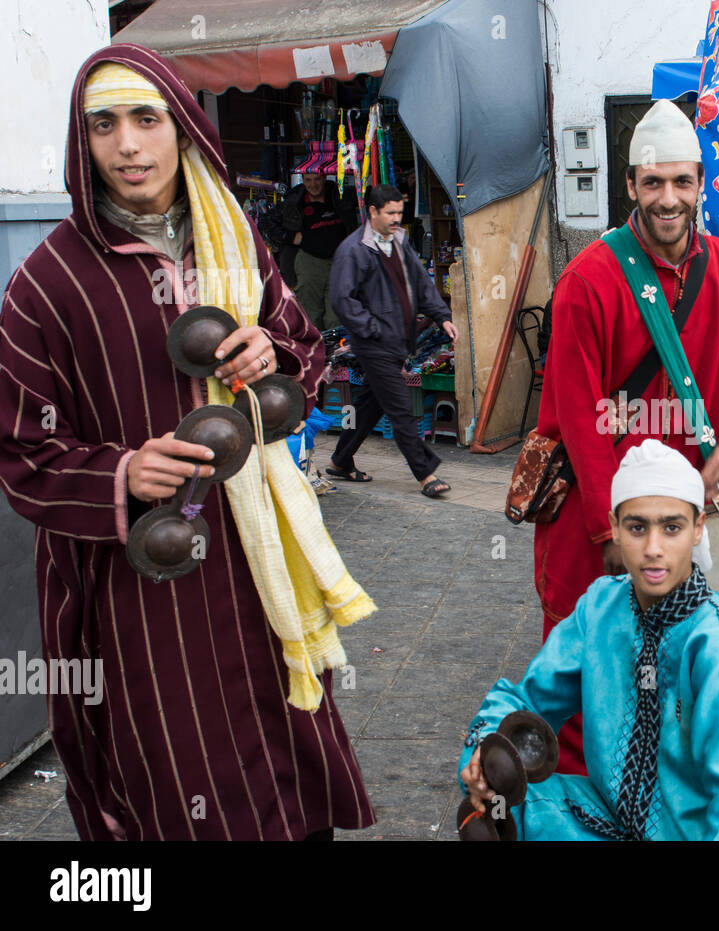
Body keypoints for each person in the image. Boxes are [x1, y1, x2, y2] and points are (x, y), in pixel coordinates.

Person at [0, 44, 376, 840]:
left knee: (286, 751)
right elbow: (22, 453)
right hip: (145, 586)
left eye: (147, 119)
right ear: (82, 141)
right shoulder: (48, 283)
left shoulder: (232, 242)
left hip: (261, 555)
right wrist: (124, 470)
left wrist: (272, 360)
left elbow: (305, 350)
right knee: (178, 772)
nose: (128, 145)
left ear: (183, 128)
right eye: (103, 125)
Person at [533, 99, 719, 773]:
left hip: (682, 519)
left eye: (681, 182)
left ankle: (665, 796)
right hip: (600, 515)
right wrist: (606, 534)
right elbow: (582, 421)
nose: (668, 198)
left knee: (678, 660)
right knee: (585, 672)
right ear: (631, 187)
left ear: (702, 183)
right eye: (653, 182)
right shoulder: (587, 281)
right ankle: (583, 807)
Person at [459, 441, 719, 840]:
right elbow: (526, 701)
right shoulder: (601, 605)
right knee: (495, 806)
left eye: (671, 527)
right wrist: (484, 753)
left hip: (699, 832)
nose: (653, 549)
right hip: (608, 820)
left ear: (698, 529)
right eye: (637, 528)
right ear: (615, 527)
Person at [327, 183, 459, 496]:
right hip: (373, 344)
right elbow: (342, 299)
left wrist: (442, 316)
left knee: (371, 404)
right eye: (390, 213)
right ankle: (425, 474)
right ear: (372, 212)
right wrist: (372, 327)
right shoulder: (353, 250)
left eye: (399, 212)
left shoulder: (398, 240)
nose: (396, 218)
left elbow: (421, 284)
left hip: (398, 341)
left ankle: (340, 460)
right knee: (400, 407)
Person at [279, 167, 356, 330]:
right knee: (310, 314)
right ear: (303, 180)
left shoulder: (339, 194)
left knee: (336, 314)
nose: (312, 184)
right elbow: (267, 222)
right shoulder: (295, 199)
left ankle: (335, 352)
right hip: (310, 261)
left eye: (317, 179)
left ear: (325, 178)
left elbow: (369, 200)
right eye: (308, 180)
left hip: (339, 261)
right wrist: (290, 237)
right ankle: (313, 352)